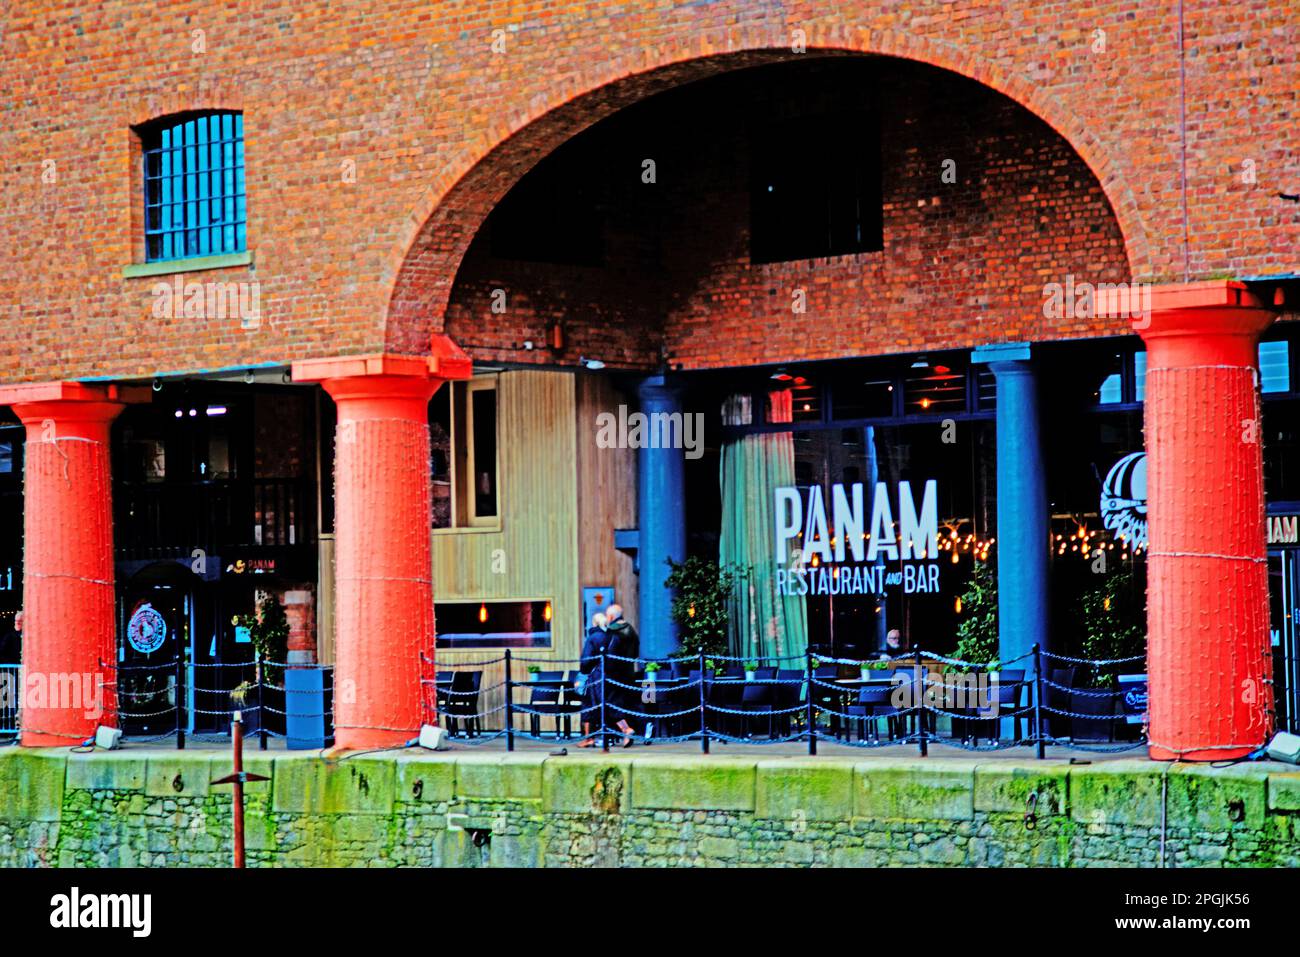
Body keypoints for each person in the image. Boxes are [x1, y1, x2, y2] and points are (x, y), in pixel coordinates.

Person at [602, 604, 640, 748]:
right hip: (629, 672)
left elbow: (608, 652)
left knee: (611, 703)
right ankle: (627, 732)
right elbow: (636, 652)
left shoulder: (612, 631)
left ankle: (625, 730)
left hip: (614, 674)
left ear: (611, 617)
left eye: (607, 615)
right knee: (628, 704)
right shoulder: (631, 629)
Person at [576, 612, 608, 748]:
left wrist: (582, 674)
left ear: (594, 623)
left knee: (587, 705)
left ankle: (588, 738)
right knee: (606, 705)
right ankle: (611, 736)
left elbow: (586, 661)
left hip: (594, 677)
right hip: (608, 676)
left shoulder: (592, 638)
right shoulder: (610, 636)